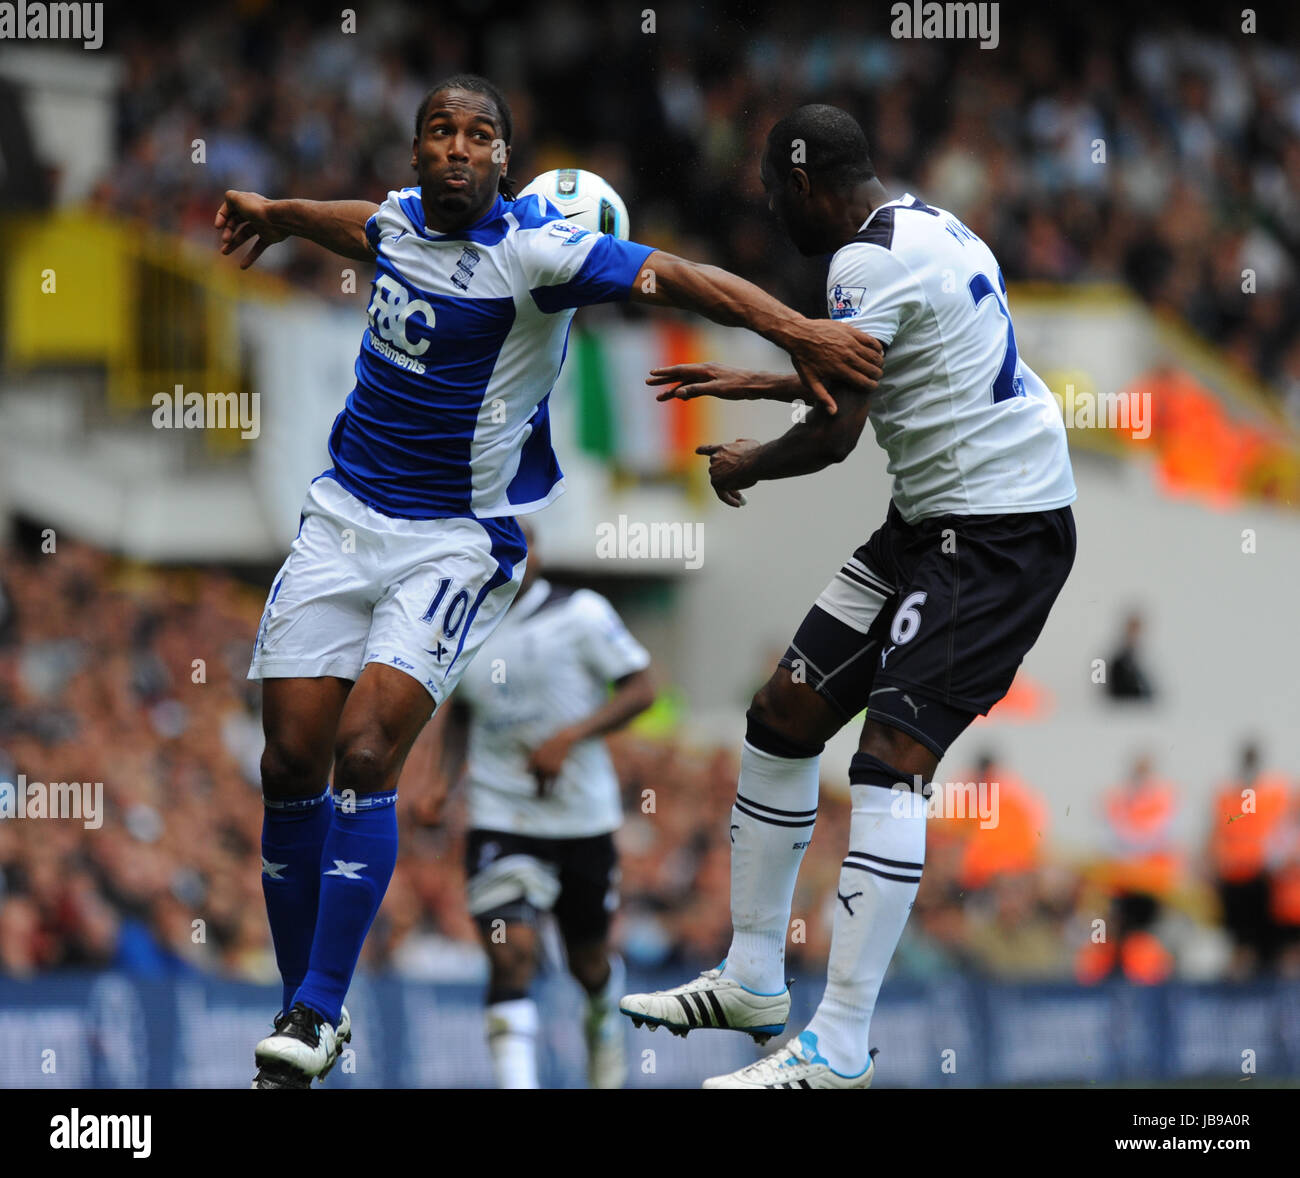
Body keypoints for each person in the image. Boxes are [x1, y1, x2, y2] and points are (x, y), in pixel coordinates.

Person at [213, 76, 883, 1089]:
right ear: (414, 154)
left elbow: (682, 276)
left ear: (503, 164)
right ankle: (299, 999)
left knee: (361, 749)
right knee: (287, 762)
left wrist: (799, 329)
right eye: (438, 130)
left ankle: (318, 1007)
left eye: (478, 134)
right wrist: (273, 213)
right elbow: (350, 225)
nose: (455, 147)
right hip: (338, 520)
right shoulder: (396, 223)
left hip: (451, 540)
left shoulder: (537, 254)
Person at [620, 104, 1077, 1089]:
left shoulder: (856, 265)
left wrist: (748, 459)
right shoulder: (926, 223)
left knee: (887, 763)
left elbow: (836, 434)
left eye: (771, 193)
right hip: (930, 521)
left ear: (801, 184)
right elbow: (880, 365)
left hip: (994, 534)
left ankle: (840, 1041)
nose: (770, 211)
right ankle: (750, 976)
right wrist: (759, 379)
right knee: (784, 711)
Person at [432, 522, 654, 1088]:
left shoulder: (581, 613)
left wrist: (569, 737)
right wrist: (441, 783)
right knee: (511, 953)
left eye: (520, 541)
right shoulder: (462, 625)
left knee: (588, 965)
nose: (508, 553)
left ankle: (604, 1017)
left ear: (537, 550)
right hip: (499, 816)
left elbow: (642, 688)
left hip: (582, 819)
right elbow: (459, 711)